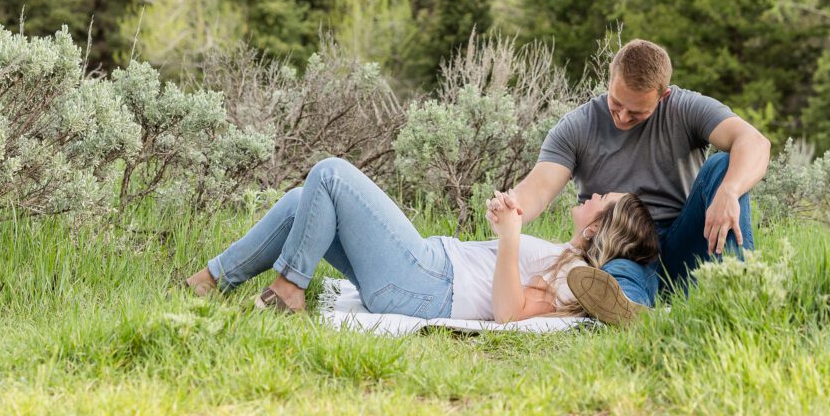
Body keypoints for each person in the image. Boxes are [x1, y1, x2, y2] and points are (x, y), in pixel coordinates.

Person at [488, 38, 771, 326]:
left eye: (636, 113)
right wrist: (512, 208)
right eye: (616, 104)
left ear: (663, 96)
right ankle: (633, 311)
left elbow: (754, 142)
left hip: (682, 242)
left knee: (723, 165)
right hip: (621, 244)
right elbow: (538, 188)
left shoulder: (686, 109)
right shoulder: (577, 127)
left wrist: (730, 191)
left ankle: (739, 297)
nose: (622, 117)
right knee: (617, 273)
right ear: (610, 82)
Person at [186, 156, 658, 323]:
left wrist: (511, 238)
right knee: (300, 202)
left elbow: (509, 313)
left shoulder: (575, 274)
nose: (593, 193)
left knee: (330, 174)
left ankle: (289, 288)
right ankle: (208, 282)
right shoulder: (565, 257)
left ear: (598, 227)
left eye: (602, 199)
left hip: (428, 285)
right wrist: (505, 231)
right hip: (427, 272)